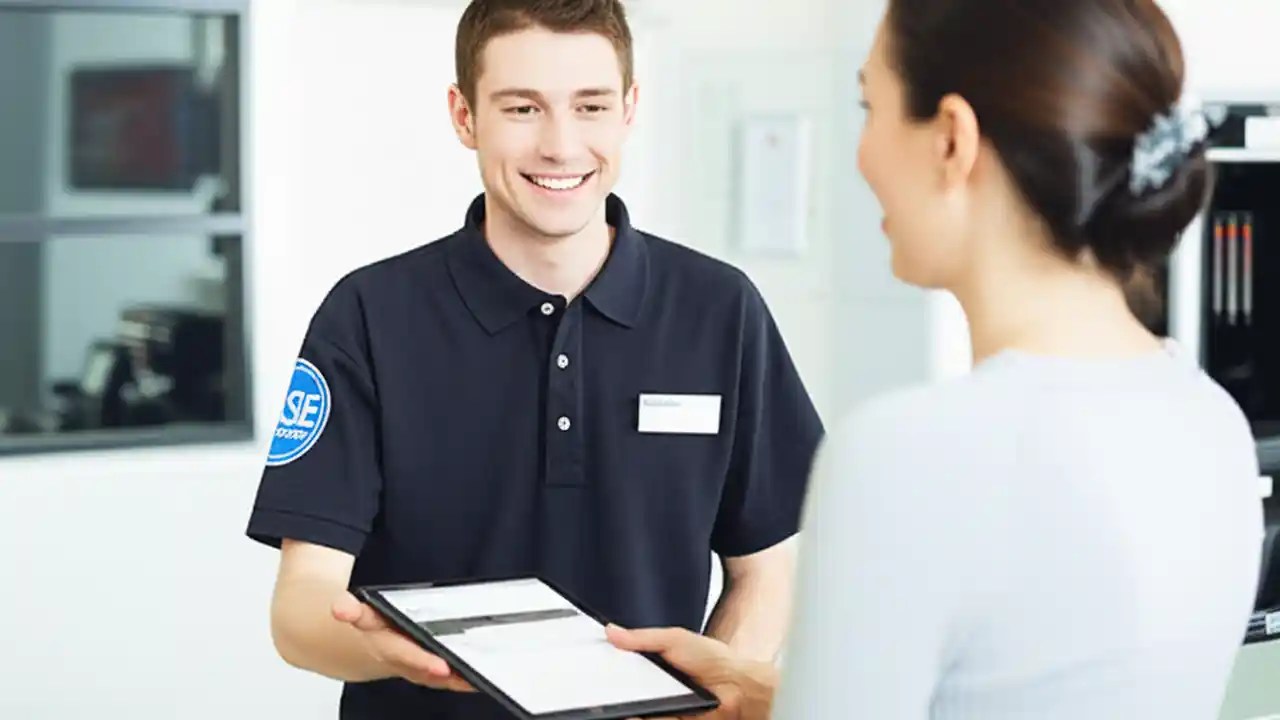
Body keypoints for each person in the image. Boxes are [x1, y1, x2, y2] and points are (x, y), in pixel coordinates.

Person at [607, 0, 1265, 718]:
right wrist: (758, 690)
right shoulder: (1211, 423)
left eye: (870, 106)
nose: (859, 154)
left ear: (952, 138)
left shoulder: (905, 453)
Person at [243, 0, 824, 718]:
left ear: (629, 109)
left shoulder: (720, 311)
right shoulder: (369, 315)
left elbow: (766, 573)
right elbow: (300, 610)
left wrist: (704, 701)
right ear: (464, 116)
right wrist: (386, 651)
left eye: (590, 107)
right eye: (522, 109)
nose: (561, 145)